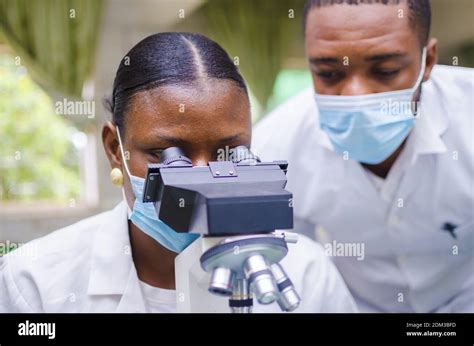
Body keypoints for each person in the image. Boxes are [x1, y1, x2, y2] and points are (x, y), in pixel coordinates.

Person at [0, 32, 356, 313]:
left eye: (227, 153)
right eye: (169, 155)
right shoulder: (34, 282)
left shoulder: (306, 272)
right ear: (114, 148)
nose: (199, 182)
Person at [252, 0, 474, 313]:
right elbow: (284, 262)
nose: (356, 95)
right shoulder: (276, 148)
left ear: (428, 61)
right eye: (328, 74)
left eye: (385, 71)